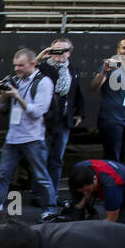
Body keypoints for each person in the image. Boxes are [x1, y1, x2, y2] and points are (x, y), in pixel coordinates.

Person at [0, 49, 58, 215]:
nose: (17, 69)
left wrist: (18, 96)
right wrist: (4, 95)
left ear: (32, 64)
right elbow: (0, 106)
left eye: (21, 65)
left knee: (41, 176)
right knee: (2, 174)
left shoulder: (43, 83)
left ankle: (50, 209)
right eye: (15, 65)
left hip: (33, 137)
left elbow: (37, 111)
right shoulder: (15, 80)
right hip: (13, 137)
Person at [34, 38, 84, 206]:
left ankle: (52, 195)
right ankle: (39, 194)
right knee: (40, 157)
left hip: (64, 120)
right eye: (56, 50)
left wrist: (79, 113)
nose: (59, 54)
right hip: (45, 120)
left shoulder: (72, 68)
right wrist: (42, 55)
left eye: (63, 50)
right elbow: (29, 69)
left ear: (70, 52)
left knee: (57, 159)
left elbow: (76, 92)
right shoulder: (44, 67)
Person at [90, 37, 125, 163]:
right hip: (111, 119)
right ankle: (111, 181)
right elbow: (94, 87)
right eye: (124, 47)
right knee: (112, 157)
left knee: (123, 157)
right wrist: (103, 72)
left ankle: (119, 181)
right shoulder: (111, 66)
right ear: (119, 50)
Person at [68, 159, 125, 227]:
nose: (85, 193)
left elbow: (111, 220)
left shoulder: (112, 188)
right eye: (83, 191)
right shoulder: (79, 168)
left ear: (95, 179)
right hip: (115, 181)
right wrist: (80, 205)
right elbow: (81, 193)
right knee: (78, 206)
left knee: (118, 228)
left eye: (87, 190)